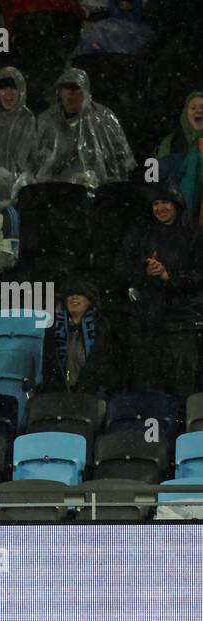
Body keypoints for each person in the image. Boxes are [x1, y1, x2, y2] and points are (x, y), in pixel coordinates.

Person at [113, 183, 203, 396]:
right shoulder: (139, 234)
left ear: (177, 204)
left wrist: (168, 276)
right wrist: (144, 271)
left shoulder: (195, 235)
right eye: (156, 203)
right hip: (146, 321)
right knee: (148, 384)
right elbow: (120, 269)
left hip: (184, 322)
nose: (160, 208)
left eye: (165, 203)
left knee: (183, 384)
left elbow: (200, 274)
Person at [26, 67, 135, 188]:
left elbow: (119, 157)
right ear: (60, 92)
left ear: (85, 91)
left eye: (75, 88)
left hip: (96, 187)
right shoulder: (47, 120)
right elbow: (34, 159)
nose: (70, 93)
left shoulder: (103, 118)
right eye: (66, 88)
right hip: (54, 187)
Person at [40, 277, 121, 394]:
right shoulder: (53, 329)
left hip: (93, 397)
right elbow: (49, 365)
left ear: (90, 300)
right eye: (70, 294)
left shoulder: (102, 328)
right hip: (58, 396)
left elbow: (105, 365)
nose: (74, 297)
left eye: (80, 294)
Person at [155, 91, 203, 224]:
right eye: (193, 107)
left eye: (202, 107)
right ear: (185, 113)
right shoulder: (171, 143)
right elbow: (155, 180)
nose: (198, 111)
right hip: (181, 225)